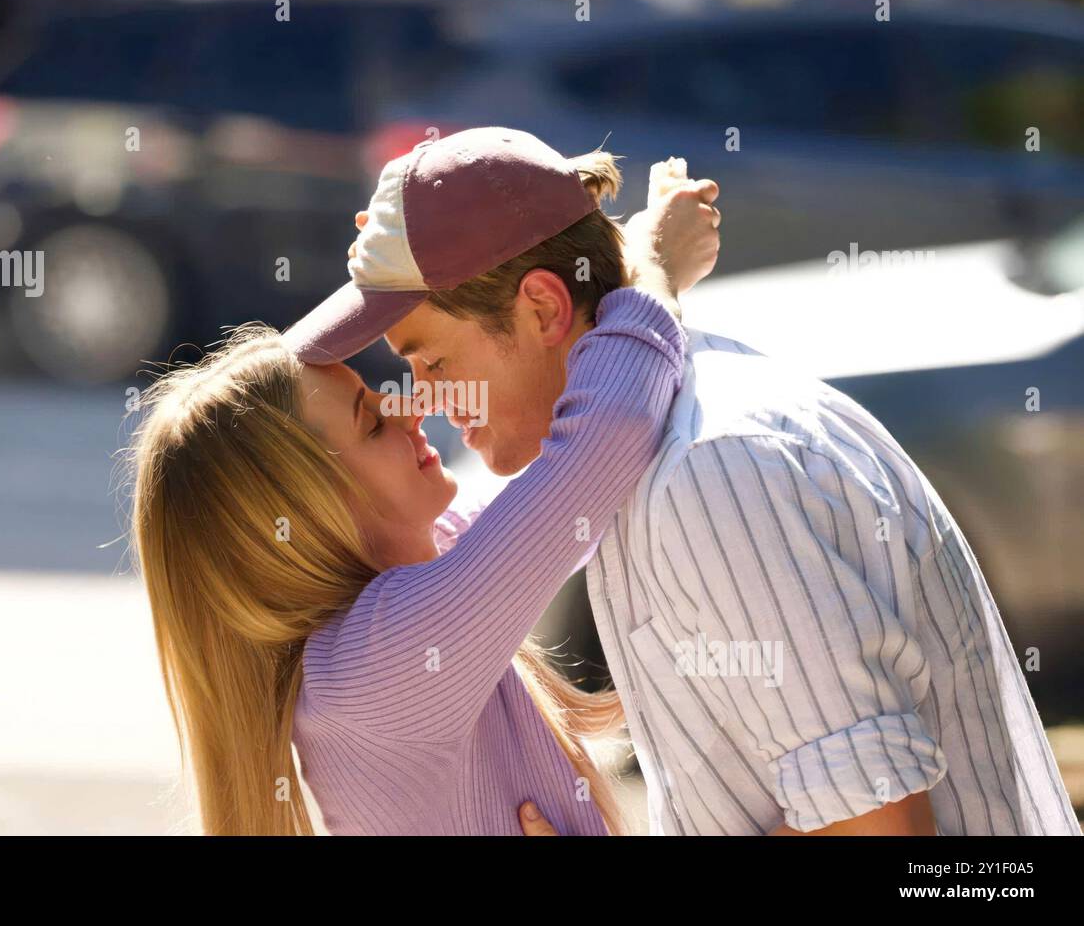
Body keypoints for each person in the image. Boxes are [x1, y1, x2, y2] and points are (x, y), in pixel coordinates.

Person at [335, 130, 1078, 836]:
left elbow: (874, 826)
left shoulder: (706, 474)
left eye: (431, 362)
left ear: (543, 308)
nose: (424, 400)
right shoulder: (658, 452)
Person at [127, 129, 719, 834]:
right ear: (311, 513)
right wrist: (652, 269)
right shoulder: (382, 663)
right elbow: (603, 441)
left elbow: (564, 482)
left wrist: (587, 254)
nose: (411, 409)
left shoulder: (400, 591)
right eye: (372, 424)